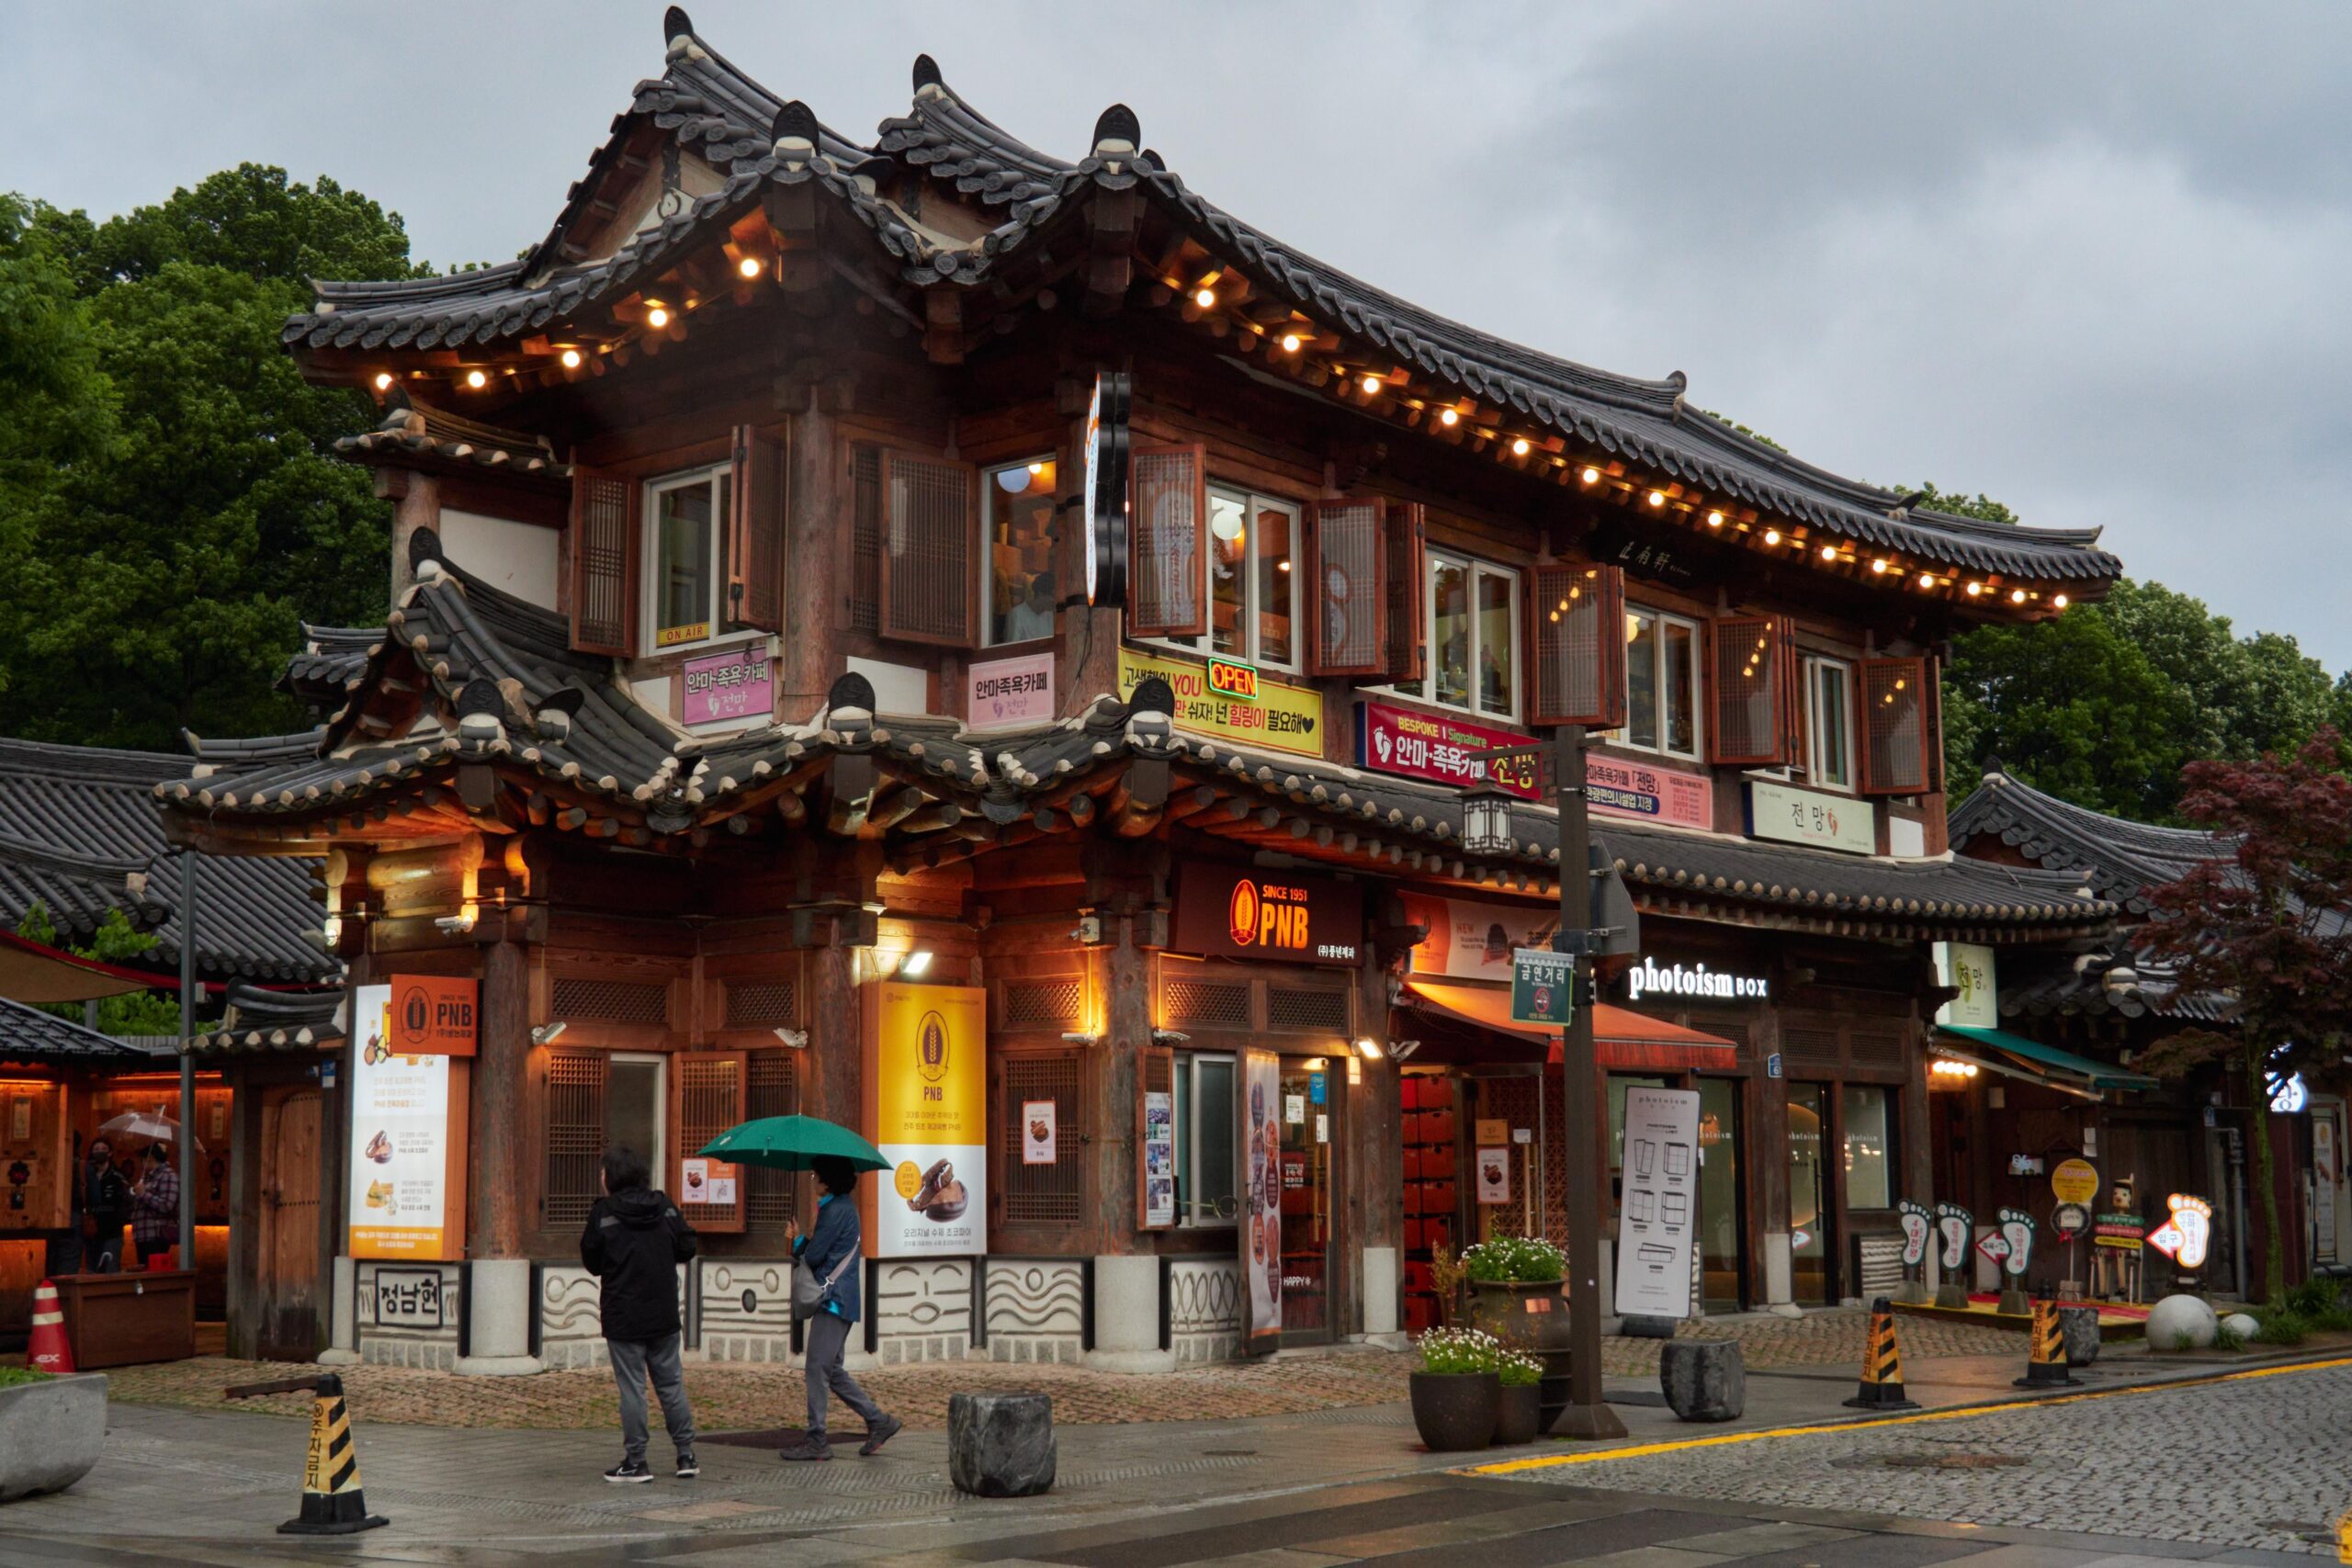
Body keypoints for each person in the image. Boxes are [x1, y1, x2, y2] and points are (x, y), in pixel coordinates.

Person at [580, 1147, 699, 1483]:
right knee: (671, 1384)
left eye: (603, 1172)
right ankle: (686, 1454)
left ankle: (636, 1460)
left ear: (612, 1176)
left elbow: (591, 1260)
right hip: (662, 1311)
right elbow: (687, 1247)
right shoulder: (665, 1207)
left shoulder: (604, 1213)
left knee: (632, 1388)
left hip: (623, 1314)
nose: (601, 1178)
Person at [783, 1156, 901, 1461]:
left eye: (816, 1176)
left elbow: (815, 1256)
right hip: (841, 1297)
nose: (813, 1180)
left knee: (816, 1368)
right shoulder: (840, 1207)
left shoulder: (835, 1210)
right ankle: (878, 1420)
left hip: (833, 1299)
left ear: (828, 1181)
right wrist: (802, 1239)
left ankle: (817, 1439)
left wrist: (798, 1241)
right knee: (831, 1370)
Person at [80, 1139, 130, 1274]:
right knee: (92, 1271)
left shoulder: (117, 1177)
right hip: (92, 1231)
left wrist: (119, 1219)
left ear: (110, 1153)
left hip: (112, 1232)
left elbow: (127, 1201)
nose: (99, 1152)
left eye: (103, 1149)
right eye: (96, 1149)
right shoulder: (86, 1177)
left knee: (110, 1269)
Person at [130, 1143, 179, 1268]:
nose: (142, 1164)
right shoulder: (150, 1178)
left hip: (156, 1235)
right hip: (143, 1235)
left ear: (150, 1158)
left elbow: (166, 1205)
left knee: (154, 1272)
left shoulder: (168, 1175)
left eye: (142, 1160)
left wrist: (143, 1194)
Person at [1004, 571, 1055, 643]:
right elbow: (1012, 647)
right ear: (1040, 593)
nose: (1057, 600)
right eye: (1053, 596)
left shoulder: (1051, 615)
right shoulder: (1016, 614)